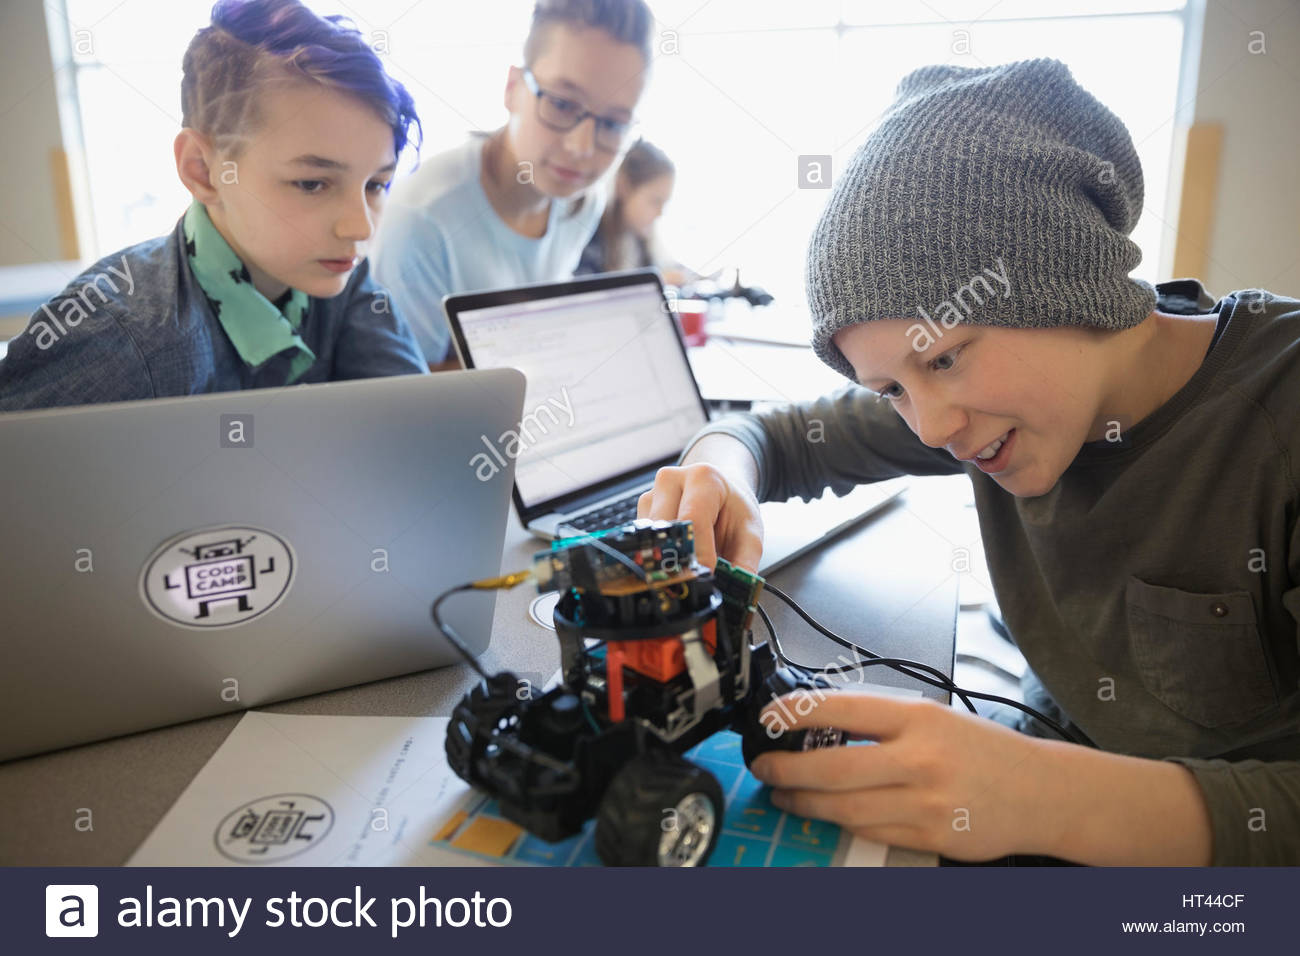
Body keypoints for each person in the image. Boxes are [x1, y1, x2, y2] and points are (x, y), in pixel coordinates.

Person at [636, 58, 1300, 866]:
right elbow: (771, 438)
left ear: (1067, 284)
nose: (933, 426)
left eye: (946, 359)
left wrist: (1047, 798)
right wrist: (717, 466)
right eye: (889, 390)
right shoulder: (999, 411)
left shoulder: (1279, 420)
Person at [0, 0, 426, 412]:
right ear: (202, 170)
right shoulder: (114, 341)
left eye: (376, 184)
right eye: (312, 183)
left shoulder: (340, 278)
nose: (360, 228)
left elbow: (428, 436)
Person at [371, 0, 653, 370]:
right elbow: (404, 392)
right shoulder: (421, 219)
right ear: (513, 88)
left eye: (614, 124)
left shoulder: (583, 198)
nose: (581, 148)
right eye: (563, 104)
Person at [575, 138, 689, 284]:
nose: (660, 213)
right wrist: (656, 283)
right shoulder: (590, 240)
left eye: (664, 204)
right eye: (655, 201)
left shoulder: (641, 240)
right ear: (624, 186)